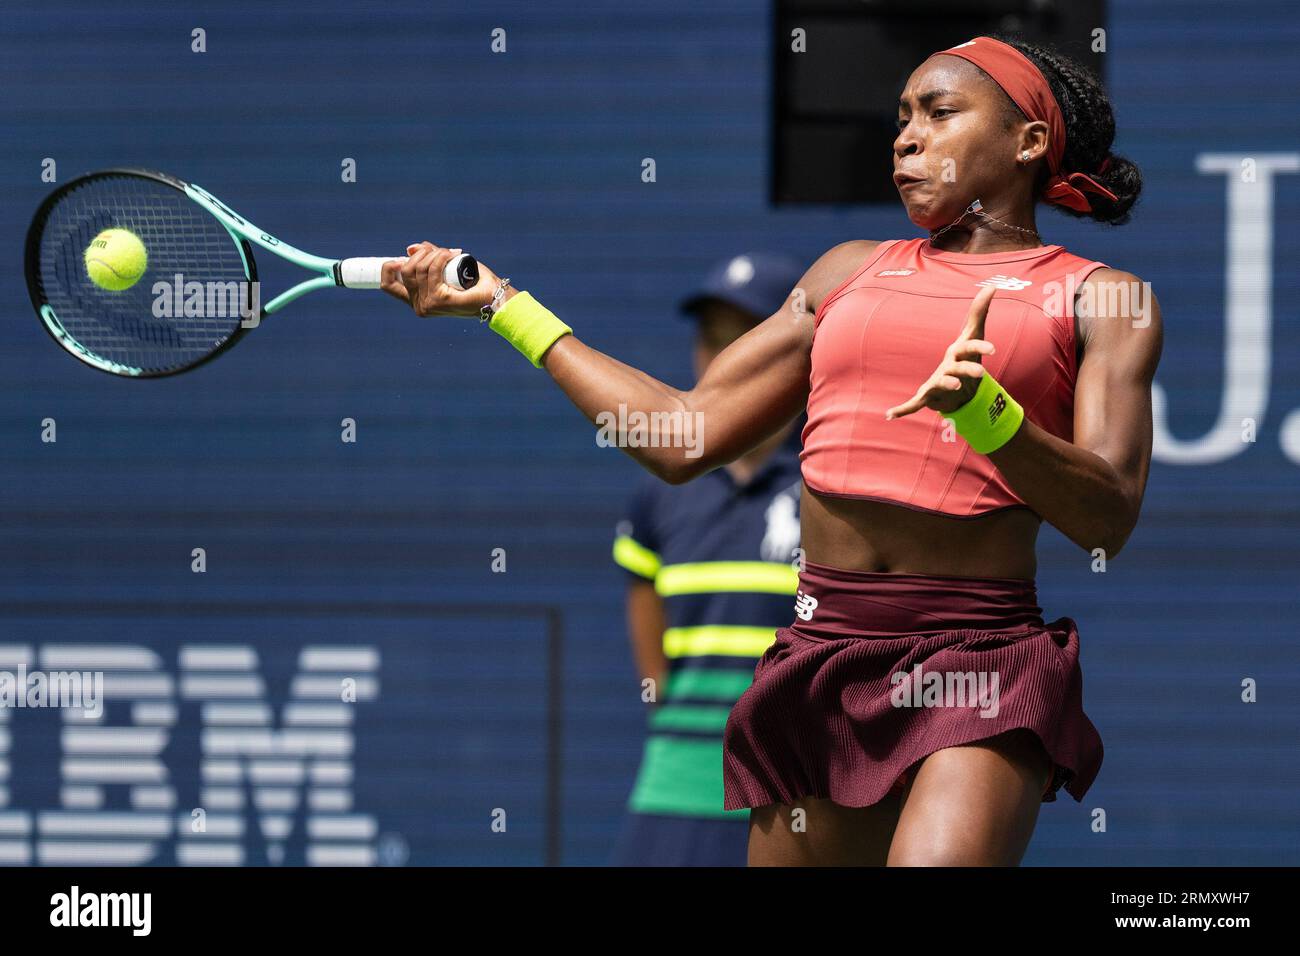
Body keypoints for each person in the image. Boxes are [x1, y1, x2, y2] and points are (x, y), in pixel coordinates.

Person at [382, 35, 1162, 866]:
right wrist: (505, 306)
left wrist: (991, 418)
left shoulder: (1104, 298)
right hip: (821, 661)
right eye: (901, 118)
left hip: (979, 667)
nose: (906, 137)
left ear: (1028, 142)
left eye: (938, 113)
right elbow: (683, 436)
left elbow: (1107, 516)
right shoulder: (843, 276)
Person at [608, 253, 806, 867]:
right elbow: (645, 604)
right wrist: (670, 707)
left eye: (741, 338)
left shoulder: (832, 479)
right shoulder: (659, 491)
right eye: (710, 338)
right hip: (675, 783)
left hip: (794, 792)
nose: (719, 356)